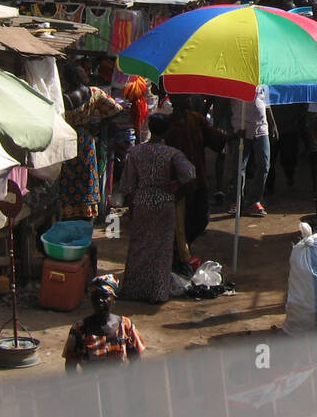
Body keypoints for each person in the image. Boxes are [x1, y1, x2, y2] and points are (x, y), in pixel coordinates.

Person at [118, 114, 197, 304]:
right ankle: (157, 293)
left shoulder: (135, 152)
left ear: (150, 128)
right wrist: (175, 183)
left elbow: (127, 185)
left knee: (139, 247)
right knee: (161, 250)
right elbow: (190, 173)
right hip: (164, 202)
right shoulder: (172, 153)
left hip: (142, 201)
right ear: (167, 131)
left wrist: (131, 206)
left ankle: (133, 289)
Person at [165, 95, 227, 262]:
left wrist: (233, 136)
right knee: (180, 221)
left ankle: (183, 246)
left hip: (198, 179)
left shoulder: (196, 119)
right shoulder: (169, 125)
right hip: (179, 184)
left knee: (201, 218)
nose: (189, 101)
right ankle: (180, 252)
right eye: (185, 99)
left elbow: (214, 138)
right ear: (176, 102)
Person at [57, 68, 124, 223]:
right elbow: (117, 110)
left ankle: (70, 216)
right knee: (88, 179)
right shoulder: (94, 92)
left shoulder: (64, 98)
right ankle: (87, 216)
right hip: (87, 141)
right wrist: (99, 126)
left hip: (69, 142)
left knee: (68, 179)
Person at [63, 275, 145, 373]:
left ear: (113, 300)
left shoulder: (126, 326)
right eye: (95, 296)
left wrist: (130, 384)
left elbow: (135, 359)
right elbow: (70, 365)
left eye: (104, 296)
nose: (99, 300)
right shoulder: (80, 329)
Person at [230, 87, 277, 217]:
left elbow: (267, 104)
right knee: (239, 166)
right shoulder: (237, 81)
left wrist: (273, 124)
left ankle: (253, 200)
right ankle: (237, 200)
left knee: (264, 164)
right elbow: (224, 104)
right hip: (241, 128)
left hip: (262, 127)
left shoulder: (263, 83)